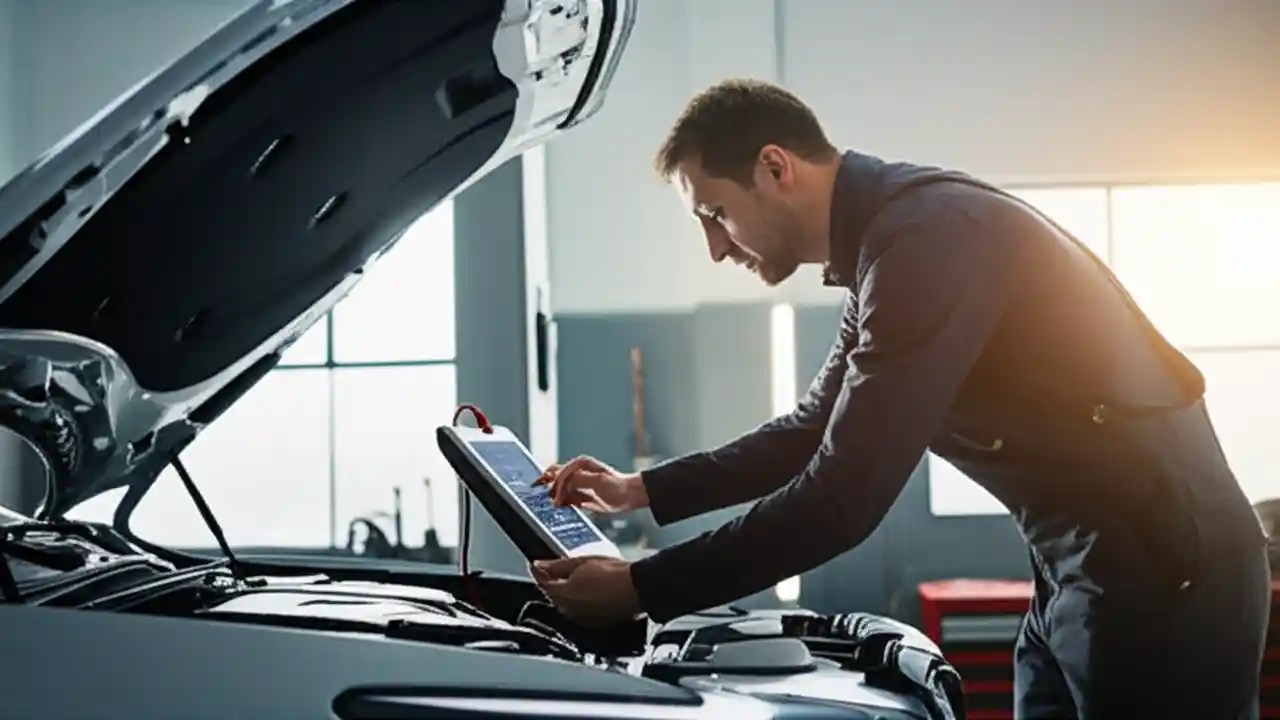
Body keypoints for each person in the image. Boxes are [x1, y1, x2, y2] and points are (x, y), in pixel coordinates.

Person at [531, 79, 1270, 718]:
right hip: (1076, 566)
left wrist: (640, 588)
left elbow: (843, 498)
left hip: (1165, 570)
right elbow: (812, 429)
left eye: (715, 214)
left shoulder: (926, 241)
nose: (716, 248)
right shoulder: (887, 247)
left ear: (775, 167)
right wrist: (641, 490)